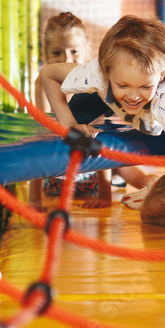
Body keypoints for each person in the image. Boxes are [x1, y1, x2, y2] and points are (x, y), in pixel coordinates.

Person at [39, 15, 165, 234]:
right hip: (120, 81)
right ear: (107, 72)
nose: (133, 96)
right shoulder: (95, 74)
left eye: (144, 86)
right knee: (69, 125)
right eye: (123, 84)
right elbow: (47, 75)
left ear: (159, 78)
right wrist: (69, 124)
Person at [29, 12, 151, 211]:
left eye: (74, 51)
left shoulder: (93, 83)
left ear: (86, 50)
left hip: (96, 170)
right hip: (57, 175)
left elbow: (100, 135)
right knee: (38, 136)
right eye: (57, 53)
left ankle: (158, 188)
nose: (66, 58)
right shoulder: (43, 82)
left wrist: (105, 195)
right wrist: (34, 199)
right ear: (45, 53)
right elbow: (39, 136)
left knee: (131, 170)